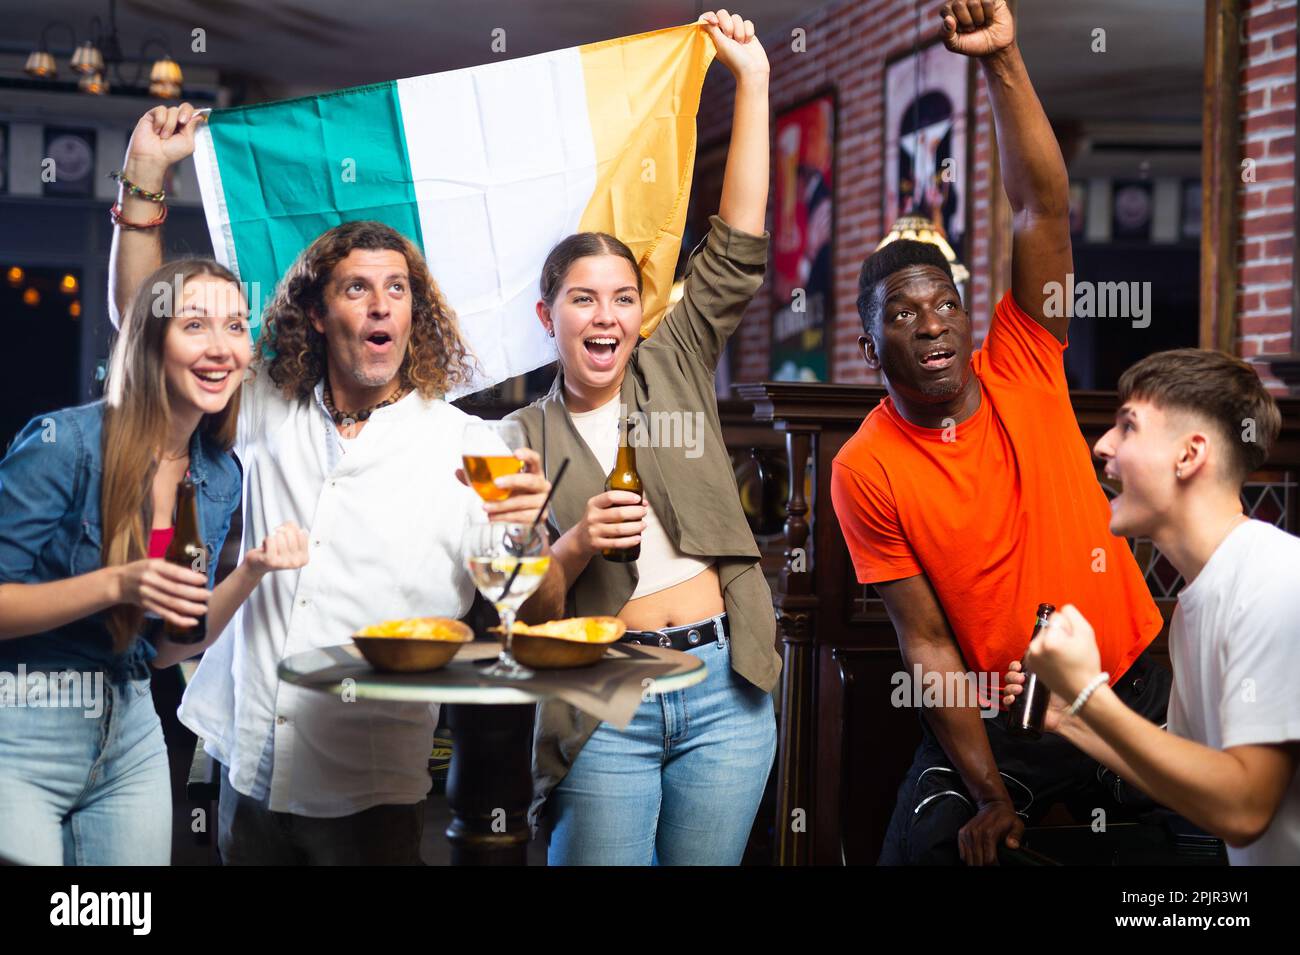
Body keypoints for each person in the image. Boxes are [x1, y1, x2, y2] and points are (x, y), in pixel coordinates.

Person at [110, 104, 565, 865]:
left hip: (369, 787)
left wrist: (533, 535)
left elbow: (537, 613)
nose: (381, 303)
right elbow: (146, 330)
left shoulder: (469, 444)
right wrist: (147, 183)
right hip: (245, 764)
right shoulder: (267, 409)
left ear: (415, 315)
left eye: (397, 289)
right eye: (357, 289)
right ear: (318, 315)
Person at [829, 0, 1169, 865]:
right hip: (1006, 716)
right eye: (905, 313)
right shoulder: (864, 466)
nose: (934, 322)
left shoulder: (1022, 355)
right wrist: (986, 792)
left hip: (1131, 679)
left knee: (1197, 861)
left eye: (946, 301)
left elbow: (1042, 210)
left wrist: (1004, 59)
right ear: (874, 347)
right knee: (925, 850)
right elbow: (931, 643)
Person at [507, 9, 780, 865]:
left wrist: (755, 81)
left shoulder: (676, 360)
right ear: (548, 318)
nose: (608, 314)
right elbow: (525, 615)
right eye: (584, 299)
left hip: (725, 693)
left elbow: (735, 246)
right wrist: (580, 543)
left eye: (624, 296)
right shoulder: (515, 436)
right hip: (600, 702)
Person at [0, 256, 307, 865]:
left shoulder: (218, 475)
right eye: (195, 325)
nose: (221, 348)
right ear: (150, 342)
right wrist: (118, 582)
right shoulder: (66, 446)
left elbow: (168, 648)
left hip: (132, 729)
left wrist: (250, 573)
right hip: (23, 722)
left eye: (235, 327)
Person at [1005, 349, 1298, 865]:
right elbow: (1192, 782)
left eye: (1129, 427)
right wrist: (1069, 715)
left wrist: (1087, 693)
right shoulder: (1196, 604)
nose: (1103, 446)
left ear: (1189, 456)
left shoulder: (1274, 580)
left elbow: (1244, 809)